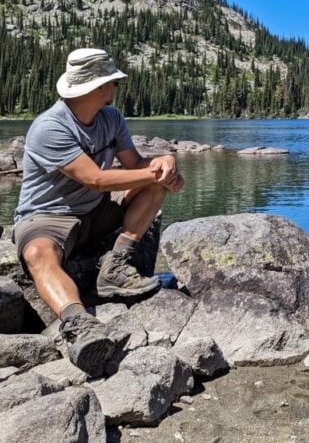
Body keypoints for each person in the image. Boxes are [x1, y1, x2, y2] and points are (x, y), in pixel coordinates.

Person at [13, 48, 185, 375]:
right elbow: (95, 179)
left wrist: (164, 162)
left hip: (96, 209)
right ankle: (79, 325)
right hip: (47, 215)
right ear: (99, 87)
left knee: (153, 187)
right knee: (37, 254)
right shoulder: (50, 127)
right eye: (113, 82)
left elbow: (135, 164)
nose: (116, 87)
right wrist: (155, 173)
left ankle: (115, 265)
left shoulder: (111, 118)